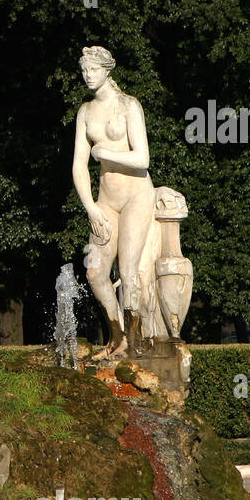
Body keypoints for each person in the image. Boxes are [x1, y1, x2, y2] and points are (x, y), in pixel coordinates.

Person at [71, 46, 156, 357]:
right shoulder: (85, 112)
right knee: (94, 272)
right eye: (83, 71)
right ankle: (117, 334)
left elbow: (142, 158)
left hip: (136, 194)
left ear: (107, 70)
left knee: (128, 272)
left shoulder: (129, 106)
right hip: (105, 200)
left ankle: (137, 343)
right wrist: (91, 208)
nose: (87, 76)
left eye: (92, 70)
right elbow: (79, 165)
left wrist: (104, 153)